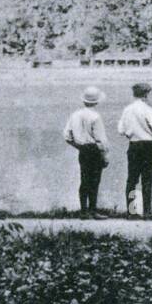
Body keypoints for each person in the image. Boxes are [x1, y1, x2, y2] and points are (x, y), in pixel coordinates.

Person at [118, 82, 152, 218]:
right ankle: (147, 211)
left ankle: (132, 211)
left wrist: (131, 133)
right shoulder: (149, 110)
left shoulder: (127, 110)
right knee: (147, 179)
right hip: (149, 145)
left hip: (134, 144)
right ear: (146, 94)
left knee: (132, 179)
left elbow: (121, 130)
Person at [62, 86, 109, 218]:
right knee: (95, 181)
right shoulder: (96, 116)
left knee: (84, 180)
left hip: (82, 149)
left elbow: (67, 136)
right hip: (94, 149)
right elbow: (101, 140)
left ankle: (83, 211)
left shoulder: (75, 115)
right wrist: (104, 156)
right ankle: (93, 210)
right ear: (97, 102)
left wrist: (78, 146)